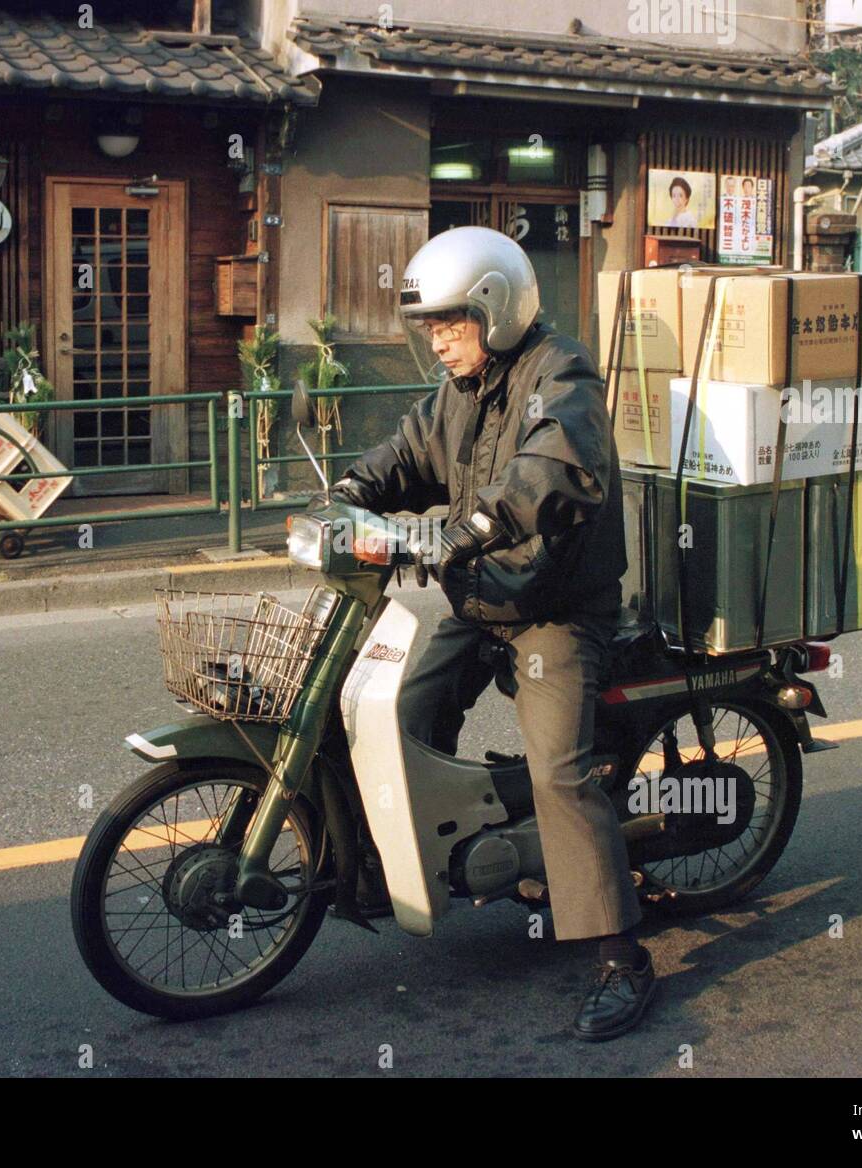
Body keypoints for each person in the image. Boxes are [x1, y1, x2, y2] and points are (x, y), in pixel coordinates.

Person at [328, 226, 656, 1041]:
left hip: (554, 610)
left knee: (559, 775)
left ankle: (621, 958)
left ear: (495, 308)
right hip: (481, 600)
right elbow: (406, 454)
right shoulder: (459, 391)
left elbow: (554, 468)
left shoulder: (562, 372)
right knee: (393, 711)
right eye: (429, 327)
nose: (437, 342)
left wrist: (467, 526)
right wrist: (350, 491)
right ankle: (428, 862)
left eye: (450, 323)